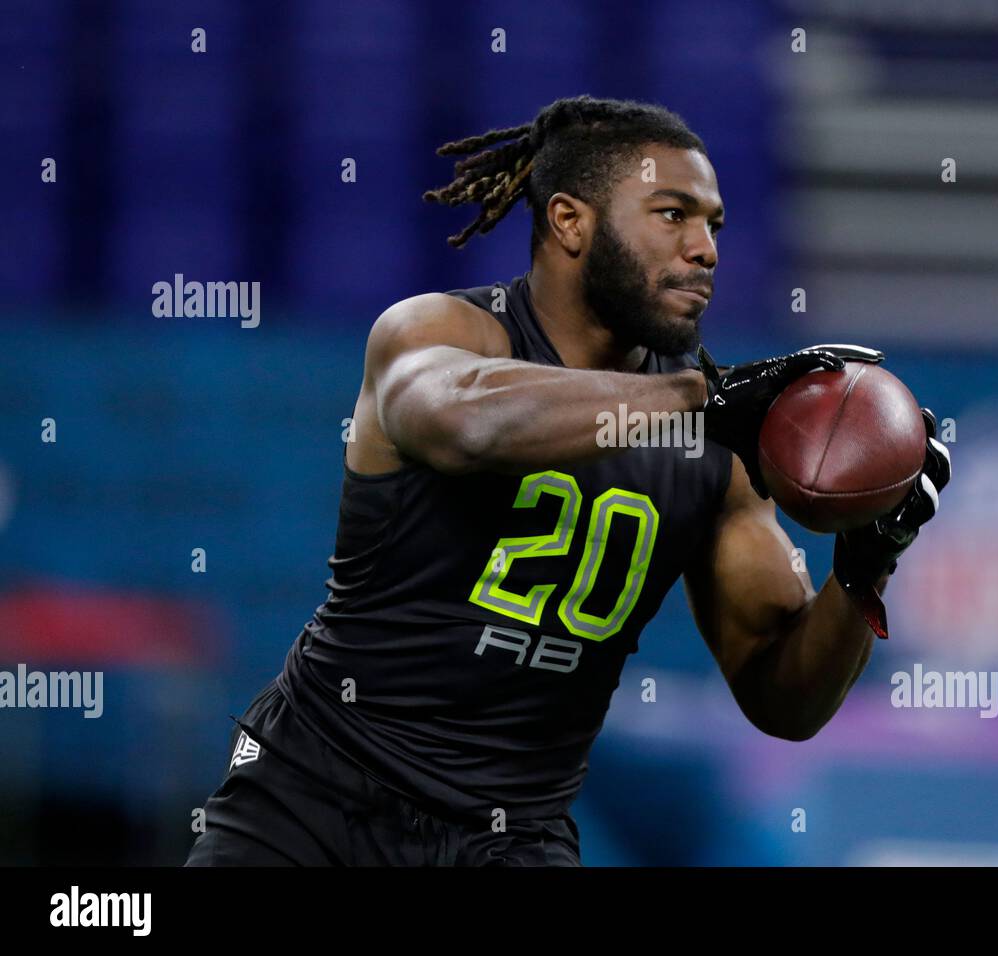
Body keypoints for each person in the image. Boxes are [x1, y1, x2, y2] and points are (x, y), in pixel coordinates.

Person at [185, 94, 951, 867]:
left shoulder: (718, 456)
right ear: (569, 222)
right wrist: (697, 398)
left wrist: (864, 564)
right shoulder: (441, 331)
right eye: (673, 214)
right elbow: (464, 425)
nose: (706, 248)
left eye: (714, 224)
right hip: (316, 794)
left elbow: (783, 699)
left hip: (511, 834)